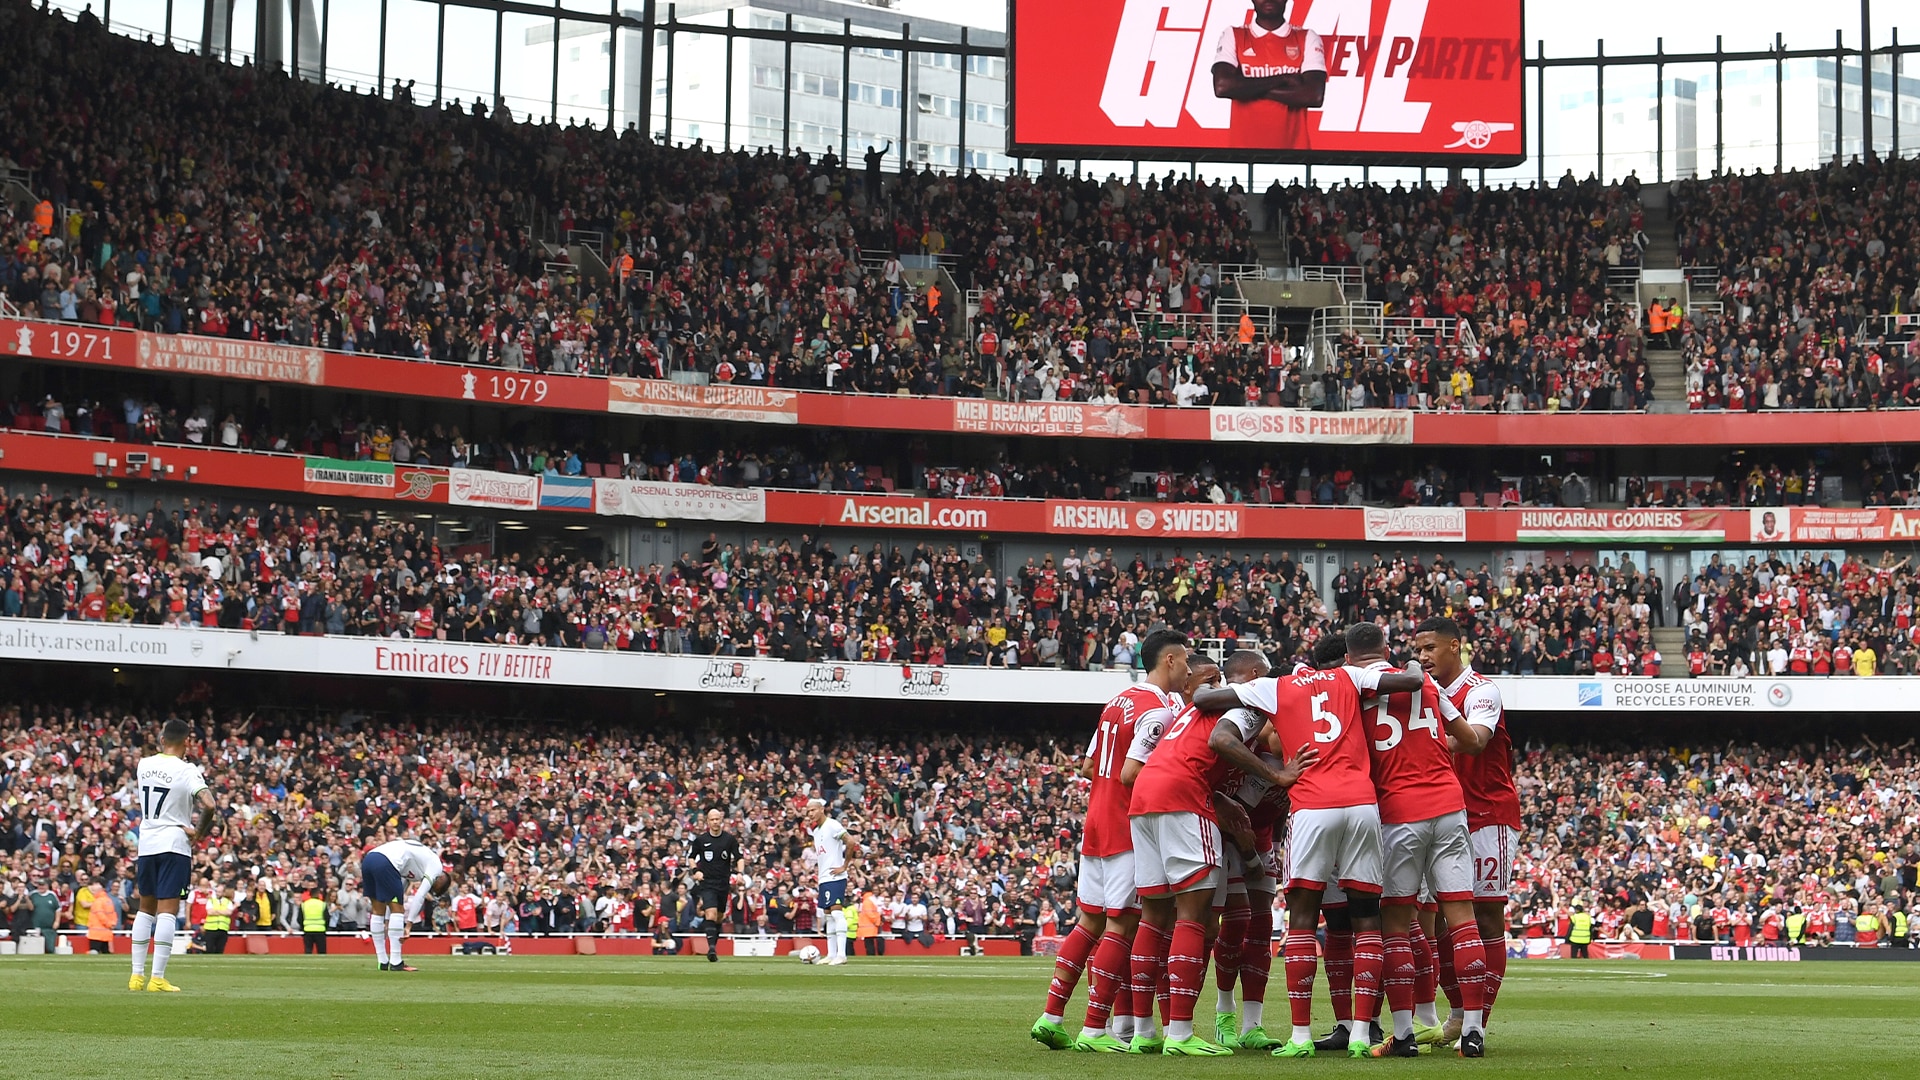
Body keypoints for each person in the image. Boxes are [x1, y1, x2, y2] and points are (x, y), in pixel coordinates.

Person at [1194, 625, 1425, 1058]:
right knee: (1366, 921)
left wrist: (1232, 686)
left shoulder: (1274, 686)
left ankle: (1300, 1036)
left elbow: (1204, 700)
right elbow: (1411, 680)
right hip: (1361, 804)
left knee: (1301, 919)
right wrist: (1412, 662)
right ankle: (1360, 1033)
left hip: (1313, 804)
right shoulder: (1350, 677)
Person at [1124, 650, 1315, 1056]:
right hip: (1189, 803)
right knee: (1197, 922)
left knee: (1157, 917)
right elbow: (1219, 744)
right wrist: (1276, 776)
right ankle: (1182, 1031)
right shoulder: (1248, 707)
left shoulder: (1217, 718)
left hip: (1152, 798)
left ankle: (1146, 1031)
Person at [1030, 628, 1189, 1053]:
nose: (1189, 671)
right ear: (1169, 660)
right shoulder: (1158, 709)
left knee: (1089, 921)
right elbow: (1130, 774)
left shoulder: (1118, 700)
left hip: (1095, 823)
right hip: (1127, 826)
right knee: (1123, 923)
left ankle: (1051, 1016)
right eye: (1186, 661)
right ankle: (1096, 1028)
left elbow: (1087, 766)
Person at [1353, 640, 1491, 1059]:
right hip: (1450, 806)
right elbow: (1469, 739)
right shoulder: (1428, 684)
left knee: (1396, 922)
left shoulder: (1356, 690)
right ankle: (1472, 1032)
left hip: (1400, 811)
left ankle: (1404, 1035)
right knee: (1462, 917)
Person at [1413, 616, 1517, 1045]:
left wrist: (1434, 716)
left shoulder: (1482, 691)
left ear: (1455, 647)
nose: (1422, 657)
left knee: (1486, 918)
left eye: (1430, 649)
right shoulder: (1420, 692)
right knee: (1434, 926)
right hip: (1437, 814)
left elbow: (1473, 739)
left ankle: (1477, 1022)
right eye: (1418, 650)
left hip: (1485, 816)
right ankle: (1457, 1012)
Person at [130, 718, 219, 992]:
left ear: (161, 740)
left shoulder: (143, 765)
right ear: (187, 742)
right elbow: (210, 804)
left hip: (147, 843)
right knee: (167, 911)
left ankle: (136, 976)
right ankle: (157, 978)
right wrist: (199, 834)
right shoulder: (187, 770)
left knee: (145, 909)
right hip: (174, 844)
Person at [1210, 0, 1327, 151]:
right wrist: (1282, 79)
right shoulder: (1234, 35)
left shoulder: (1307, 37)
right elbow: (1222, 87)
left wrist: (1245, 87)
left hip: (1294, 156)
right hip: (1242, 157)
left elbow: (1313, 96)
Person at [360, 837, 455, 972]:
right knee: (398, 910)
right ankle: (396, 962)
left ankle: (382, 961)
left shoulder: (417, 866)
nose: (431, 888)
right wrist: (409, 925)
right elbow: (419, 895)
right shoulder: (436, 867)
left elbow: (397, 892)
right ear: (441, 878)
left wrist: (387, 921)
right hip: (386, 862)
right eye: (435, 887)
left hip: (369, 860)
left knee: (377, 909)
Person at [806, 798, 860, 967]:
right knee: (829, 916)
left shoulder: (833, 825)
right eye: (808, 811)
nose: (810, 814)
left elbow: (851, 842)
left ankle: (842, 955)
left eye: (813, 810)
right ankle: (831, 954)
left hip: (835, 877)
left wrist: (844, 865)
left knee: (837, 913)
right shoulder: (816, 831)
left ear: (822, 809)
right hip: (824, 878)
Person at [687, 808, 741, 962]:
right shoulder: (701, 840)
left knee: (718, 917)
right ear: (708, 822)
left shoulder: (729, 840)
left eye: (718, 819)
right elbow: (691, 857)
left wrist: (740, 873)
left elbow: (739, 857)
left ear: (721, 820)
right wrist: (695, 870)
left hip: (723, 883)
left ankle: (713, 947)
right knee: (710, 913)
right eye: (712, 819)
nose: (715, 822)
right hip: (707, 883)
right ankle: (710, 948)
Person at [83, 880, 118, 954]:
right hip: (106, 932)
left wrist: (108, 924)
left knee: (94, 952)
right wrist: (112, 924)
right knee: (105, 952)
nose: (92, 892)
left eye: (93, 891)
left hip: (96, 933)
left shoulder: (97, 902)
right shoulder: (109, 900)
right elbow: (113, 914)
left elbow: (100, 915)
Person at [203, 886, 235, 954]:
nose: (217, 893)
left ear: (223, 893)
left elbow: (229, 912)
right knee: (209, 949)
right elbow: (210, 912)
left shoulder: (228, 902)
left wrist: (216, 911)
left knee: (220, 950)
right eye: (217, 891)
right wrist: (223, 912)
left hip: (223, 929)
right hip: (210, 929)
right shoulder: (211, 900)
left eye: (219, 892)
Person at [301, 888, 330, 954]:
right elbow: (327, 918)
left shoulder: (304, 904)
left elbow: (300, 918)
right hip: (320, 930)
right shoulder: (322, 904)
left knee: (308, 951)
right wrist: (325, 927)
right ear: (318, 894)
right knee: (321, 952)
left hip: (307, 930)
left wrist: (303, 927)